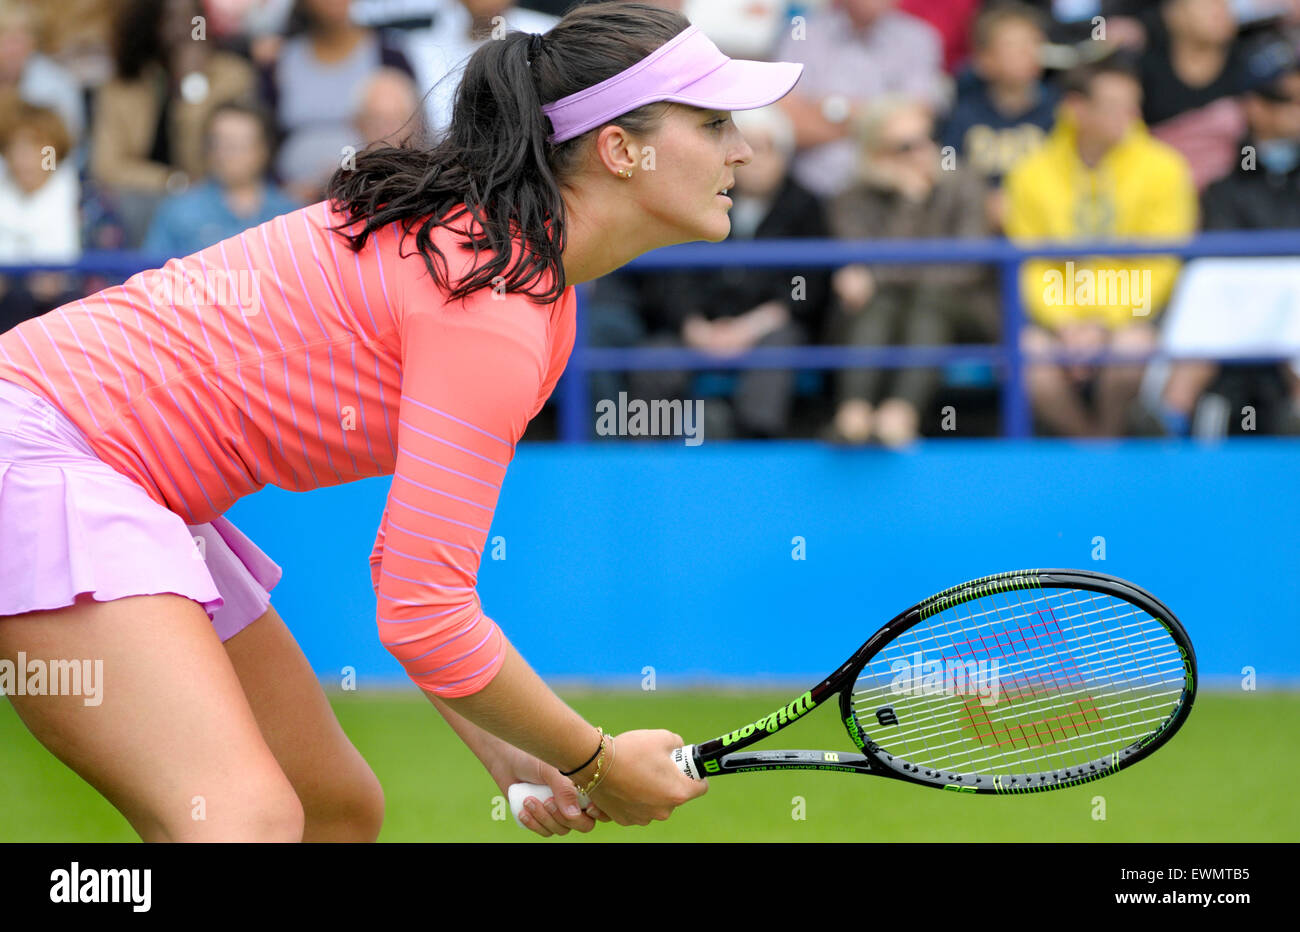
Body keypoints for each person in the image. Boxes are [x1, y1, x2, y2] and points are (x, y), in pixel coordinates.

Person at [0, 2, 803, 841]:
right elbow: (424, 610)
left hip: (128, 484)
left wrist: (507, 743)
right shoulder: (494, 304)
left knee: (332, 813)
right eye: (713, 124)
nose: (741, 148)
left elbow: (409, 574)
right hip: (45, 448)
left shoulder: (530, 296)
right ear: (618, 149)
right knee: (245, 822)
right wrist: (593, 758)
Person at [1003, 56, 1197, 438]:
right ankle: (1092, 447)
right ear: (1077, 108)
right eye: (1115, 107)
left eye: (1133, 105)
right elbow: (1027, 263)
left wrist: (1104, 323)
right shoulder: (1030, 172)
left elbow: (1161, 264)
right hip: (1057, 319)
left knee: (1128, 352)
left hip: (1136, 316)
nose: (1130, 116)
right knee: (1027, 357)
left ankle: (1104, 447)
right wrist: (1066, 324)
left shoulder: (1165, 168)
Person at [629, 104, 831, 439]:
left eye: (763, 148)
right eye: (744, 146)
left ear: (785, 155)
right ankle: (646, 455)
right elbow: (673, 274)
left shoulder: (806, 206)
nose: (750, 159)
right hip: (698, 326)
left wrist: (750, 328)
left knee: (777, 354)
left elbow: (809, 286)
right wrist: (694, 326)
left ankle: (754, 451)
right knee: (655, 360)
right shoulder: (699, 197)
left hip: (769, 327)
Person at [825, 96, 996, 447]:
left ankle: (901, 412)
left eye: (927, 139)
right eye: (905, 146)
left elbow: (967, 267)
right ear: (875, 154)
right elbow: (859, 268)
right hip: (883, 312)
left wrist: (883, 272)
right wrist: (908, 203)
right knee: (877, 300)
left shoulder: (964, 183)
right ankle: (855, 411)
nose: (923, 152)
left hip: (962, 310)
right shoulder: (852, 197)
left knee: (925, 297)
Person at [142, 101, 301, 259]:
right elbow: (152, 274)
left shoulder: (289, 213)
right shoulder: (178, 211)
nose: (223, 153)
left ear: (264, 150)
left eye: (235, 145)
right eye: (216, 143)